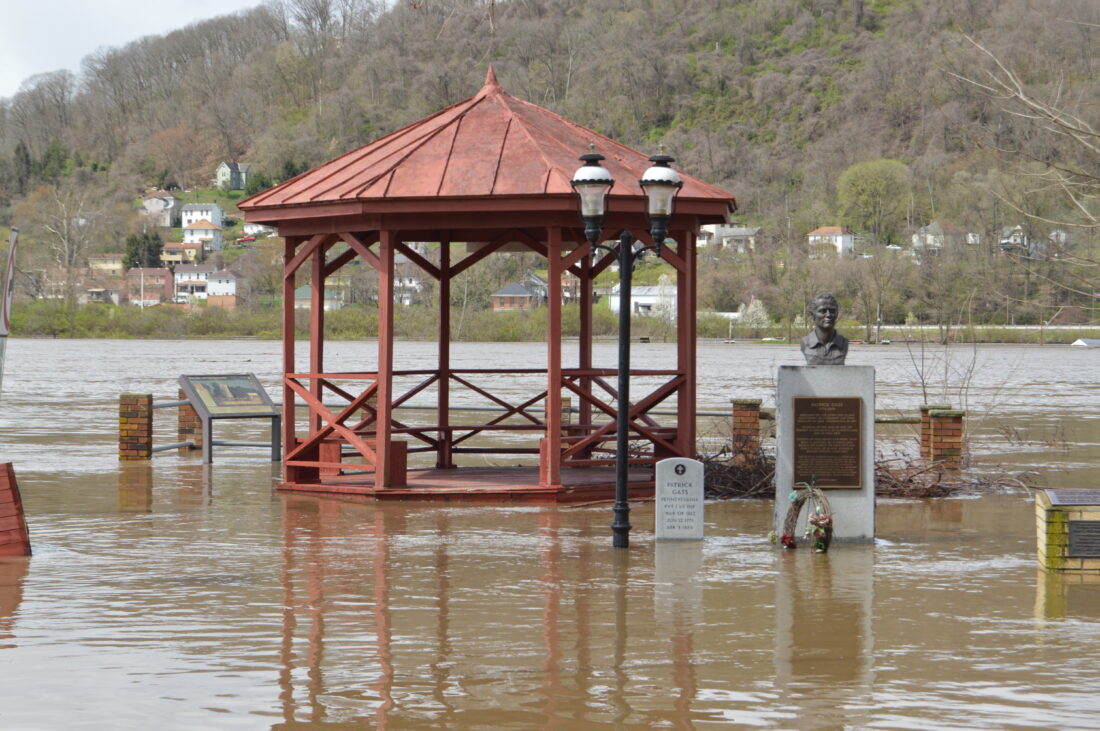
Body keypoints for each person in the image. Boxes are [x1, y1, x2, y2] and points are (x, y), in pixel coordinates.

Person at [800, 293, 848, 365]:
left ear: (836, 314)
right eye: (823, 311)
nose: (828, 315)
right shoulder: (806, 342)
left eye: (832, 311)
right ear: (812, 315)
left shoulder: (843, 342)